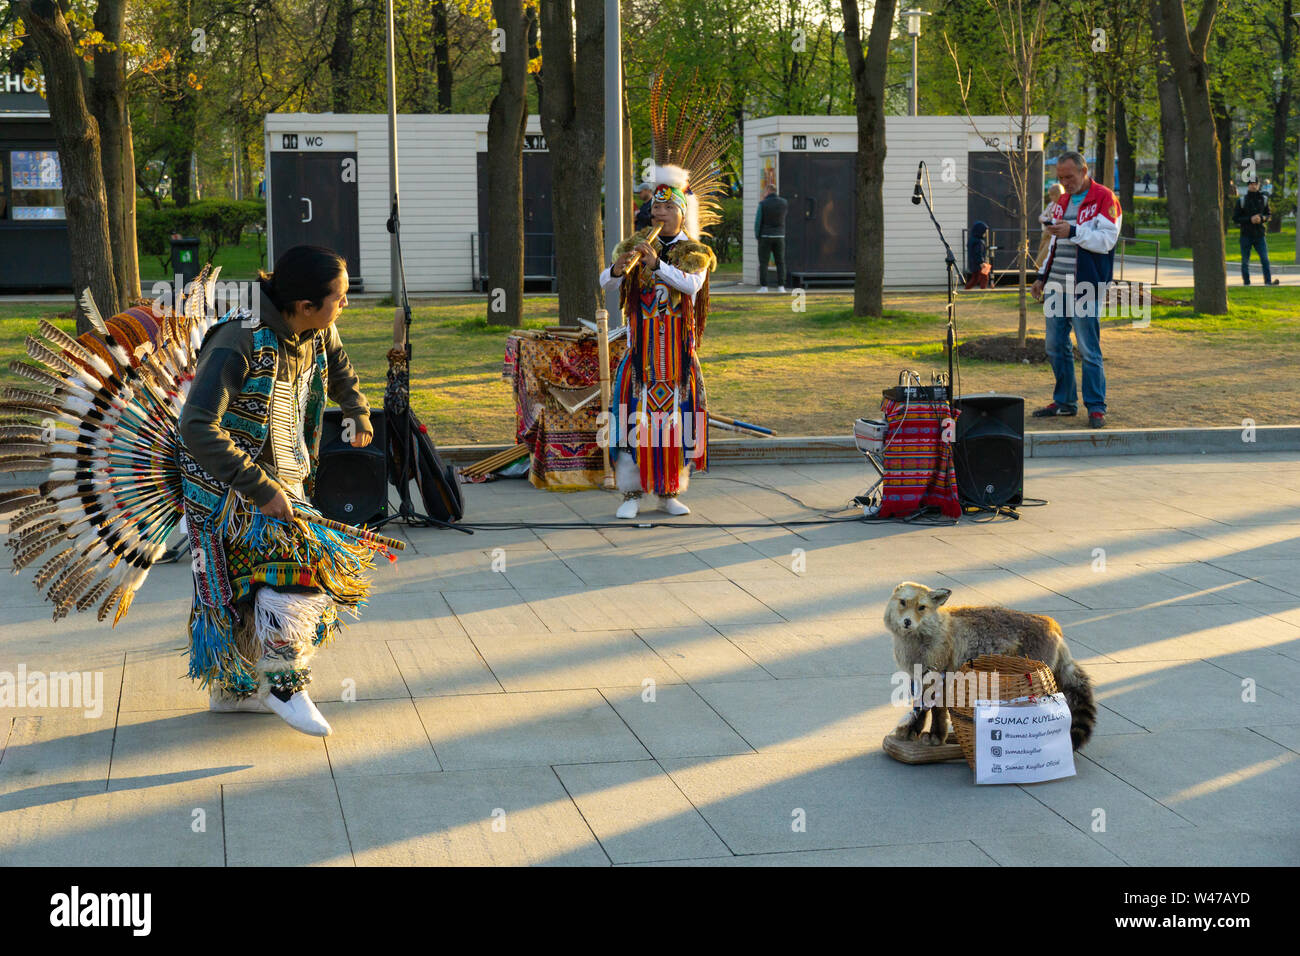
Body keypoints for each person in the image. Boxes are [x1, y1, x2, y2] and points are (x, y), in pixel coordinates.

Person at [178, 245, 375, 736]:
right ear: (304, 305)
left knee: (248, 592)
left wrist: (357, 408)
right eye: (340, 298)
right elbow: (197, 425)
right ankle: (284, 685)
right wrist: (258, 487)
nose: (345, 306)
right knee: (295, 567)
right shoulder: (239, 340)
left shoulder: (314, 326)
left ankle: (234, 691)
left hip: (278, 474)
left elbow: (339, 360)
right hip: (224, 487)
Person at [599, 72, 726, 520]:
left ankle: (670, 490)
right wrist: (619, 268)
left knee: (674, 419)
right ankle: (632, 494)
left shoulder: (695, 251)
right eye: (654, 206)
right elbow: (607, 284)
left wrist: (658, 265)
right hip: (640, 351)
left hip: (675, 353)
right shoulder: (634, 242)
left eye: (667, 206)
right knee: (633, 416)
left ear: (680, 211)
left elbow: (690, 286)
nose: (658, 212)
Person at [1030, 151, 1121, 430]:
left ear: (1084, 171)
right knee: (1055, 345)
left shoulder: (1105, 198)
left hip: (1085, 285)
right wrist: (1042, 275)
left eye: (1069, 177)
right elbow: (1056, 243)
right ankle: (1065, 402)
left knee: (1088, 348)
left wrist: (1073, 231)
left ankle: (1096, 406)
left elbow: (1106, 240)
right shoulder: (1063, 200)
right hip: (1057, 283)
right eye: (1060, 178)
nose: (1065, 182)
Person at [1233, 177, 1279, 285]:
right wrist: (1250, 219)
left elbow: (1268, 215)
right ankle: (1247, 283)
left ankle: (1268, 282)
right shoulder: (1242, 201)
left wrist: (1262, 218)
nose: (1253, 186)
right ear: (1248, 186)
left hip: (1260, 234)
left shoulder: (1264, 199)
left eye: (1255, 184)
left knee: (1265, 259)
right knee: (1245, 261)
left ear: (1258, 185)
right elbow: (1235, 218)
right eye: (1251, 184)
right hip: (1246, 235)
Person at [754, 183, 788, 293]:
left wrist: (757, 235)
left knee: (763, 262)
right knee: (780, 262)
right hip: (779, 236)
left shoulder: (763, 204)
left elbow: (758, 221)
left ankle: (764, 287)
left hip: (765, 236)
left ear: (768, 191)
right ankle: (781, 286)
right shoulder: (784, 203)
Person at [1035, 183, 1065, 268]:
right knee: (1040, 256)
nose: (1051, 197)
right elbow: (1041, 217)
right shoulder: (1051, 205)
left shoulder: (1064, 204)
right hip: (1047, 234)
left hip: (1055, 235)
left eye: (1052, 195)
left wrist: (1052, 220)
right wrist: (1049, 220)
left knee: (1044, 258)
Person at [965, 220, 991, 290]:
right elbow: (978, 253)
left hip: (973, 262)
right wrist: (981, 262)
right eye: (984, 232)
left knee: (975, 278)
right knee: (984, 277)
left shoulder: (971, 239)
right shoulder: (979, 241)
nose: (985, 233)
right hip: (979, 263)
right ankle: (983, 289)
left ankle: (967, 289)